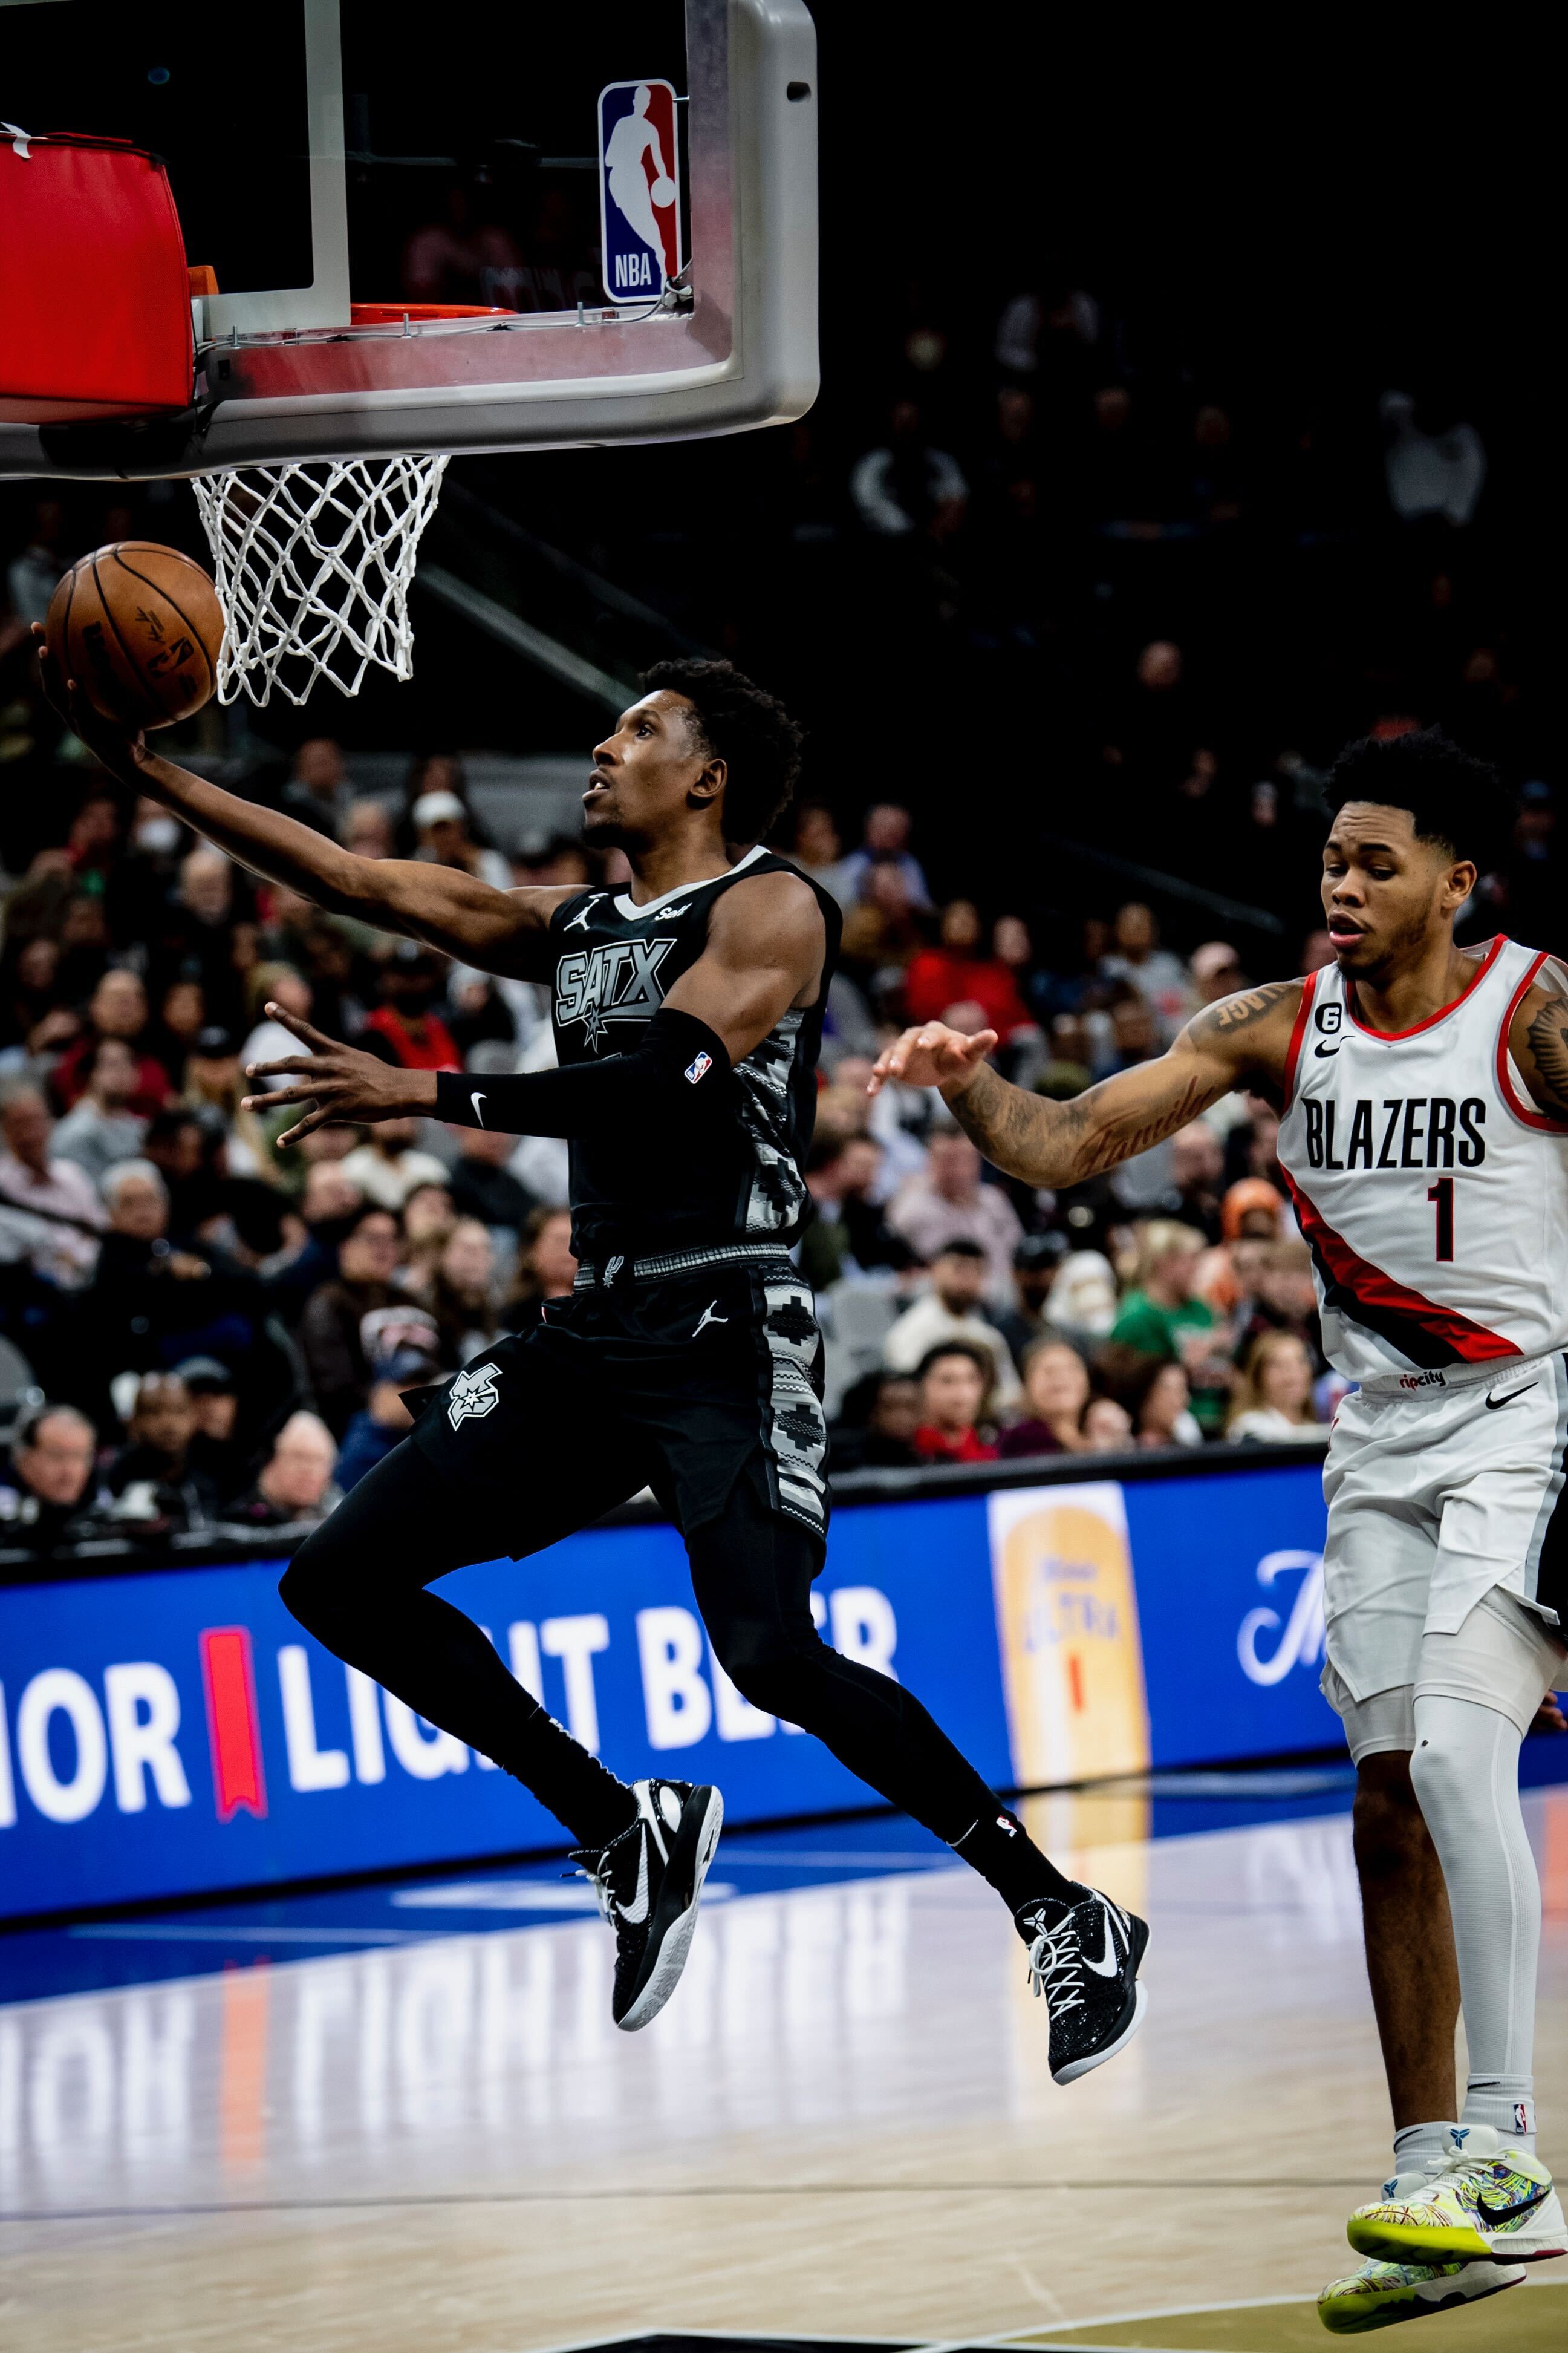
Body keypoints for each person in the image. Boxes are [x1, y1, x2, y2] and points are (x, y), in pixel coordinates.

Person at [47, 637, 1147, 2078]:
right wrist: (155, 774)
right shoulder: (579, 926)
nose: (598, 749)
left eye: (633, 730)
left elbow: (657, 1085)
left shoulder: (770, 907)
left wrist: (424, 1090)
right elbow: (359, 882)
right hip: (598, 1326)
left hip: (725, 1323)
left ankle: (1060, 1910)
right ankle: (616, 1822)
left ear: (706, 775)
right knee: (338, 1577)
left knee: (767, 1654)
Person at [872, 726, 1568, 2324]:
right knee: (1386, 1800)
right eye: (1330, 856)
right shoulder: (1269, 1028)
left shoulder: (1532, 1011)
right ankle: (1428, 2171)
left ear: (1458, 883)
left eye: (1377, 860)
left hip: (1535, 1417)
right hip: (1375, 1441)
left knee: (1465, 1756)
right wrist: (967, 1083)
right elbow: (1068, 1142)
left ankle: (1516, 2161)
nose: (1341, 880)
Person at [298, 1203, 408, 1438]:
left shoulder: (412, 1300)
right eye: (373, 1238)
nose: (384, 1248)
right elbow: (334, 1387)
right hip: (365, 1428)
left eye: (391, 1239)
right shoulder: (330, 1302)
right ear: (346, 1248)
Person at [886, 1123, 1024, 1301]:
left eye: (965, 1159)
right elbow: (943, 1266)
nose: (958, 1169)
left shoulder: (994, 1200)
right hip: (946, 1298)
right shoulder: (913, 1207)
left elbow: (1016, 1250)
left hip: (1007, 1292)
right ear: (931, 1161)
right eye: (948, 1160)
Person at [881, 1239, 1022, 1409]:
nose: (968, 1279)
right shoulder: (911, 1331)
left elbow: (1011, 1393)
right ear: (935, 1270)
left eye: (977, 1272)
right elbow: (910, 1394)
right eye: (959, 1269)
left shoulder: (990, 1337)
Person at [0, 1079, 105, 1290]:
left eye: (36, 1121)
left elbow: (100, 1231)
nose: (30, 1133)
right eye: (20, 1123)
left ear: (50, 1122)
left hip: (87, 1283)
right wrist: (56, 1256)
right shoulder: (2, 1184)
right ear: (5, 1129)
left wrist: (79, 1260)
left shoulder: (72, 1174)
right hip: (31, 1293)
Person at [0, 1401, 105, 1549]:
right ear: (24, 1460)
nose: (69, 1472)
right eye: (57, 1456)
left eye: (79, 1456)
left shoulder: (103, 1505)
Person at [48, 1037, 148, 1187]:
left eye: (129, 1063)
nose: (122, 1071)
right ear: (93, 1073)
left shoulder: (140, 1126)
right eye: (112, 1065)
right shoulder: (75, 1132)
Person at [225, 1409, 340, 1529]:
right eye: (299, 1457)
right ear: (272, 1460)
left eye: (319, 1460)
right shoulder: (238, 1517)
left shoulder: (335, 1518)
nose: (309, 1470)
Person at [1226, 1330, 1327, 1445]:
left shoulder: (1314, 1429)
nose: (1293, 1376)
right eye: (1279, 1366)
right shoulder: (1251, 1430)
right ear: (1258, 1377)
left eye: (1301, 1362)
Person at [997, 1339, 1091, 1458]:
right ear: (1025, 1385)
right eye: (1049, 1371)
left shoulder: (1105, 1431)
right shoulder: (1017, 1442)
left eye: (1071, 1368)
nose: (1061, 1377)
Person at [911, 1341, 998, 1464]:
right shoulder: (908, 1451)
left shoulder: (998, 1446)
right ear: (920, 1386)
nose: (963, 1394)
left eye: (971, 1380)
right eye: (948, 1381)